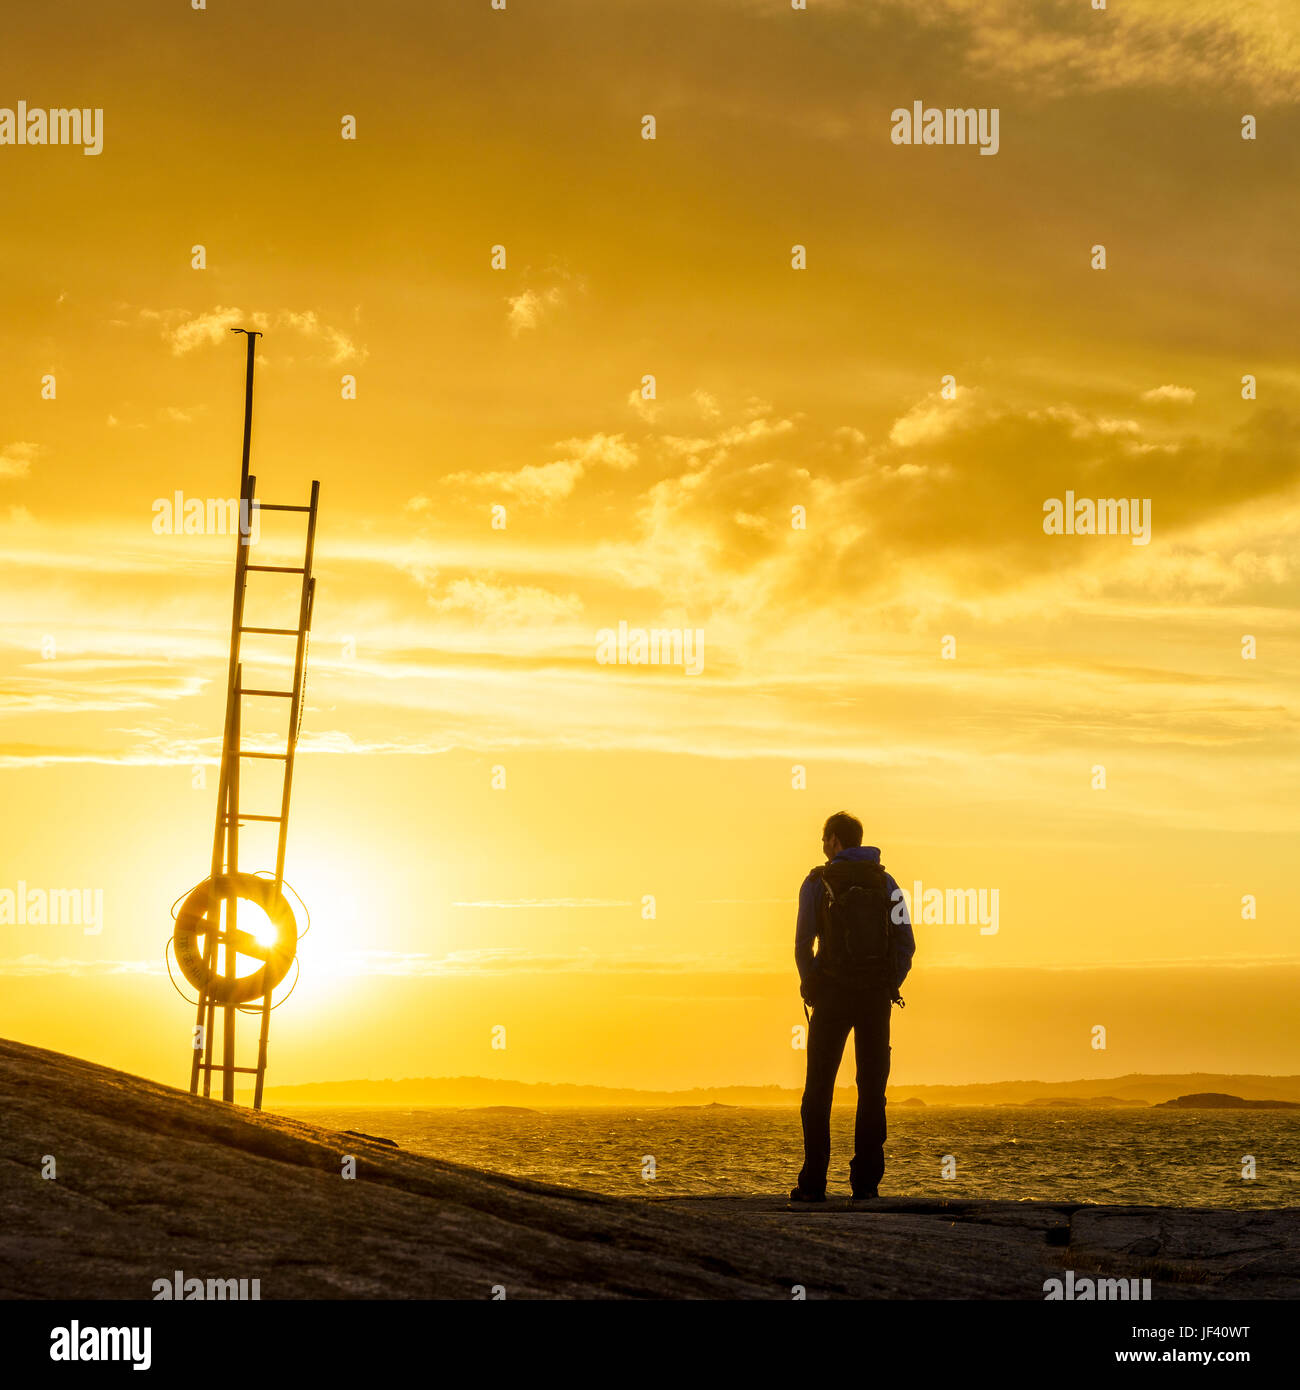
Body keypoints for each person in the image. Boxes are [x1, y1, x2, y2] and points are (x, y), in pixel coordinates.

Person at [791, 811, 915, 1203]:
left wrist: (811, 982)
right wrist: (888, 984)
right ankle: (866, 1185)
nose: (822, 846)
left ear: (834, 841)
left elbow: (802, 944)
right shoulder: (887, 883)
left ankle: (813, 1183)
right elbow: (906, 944)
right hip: (875, 998)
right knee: (872, 1090)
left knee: (818, 1091)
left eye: (824, 839)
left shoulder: (816, 882)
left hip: (831, 995)